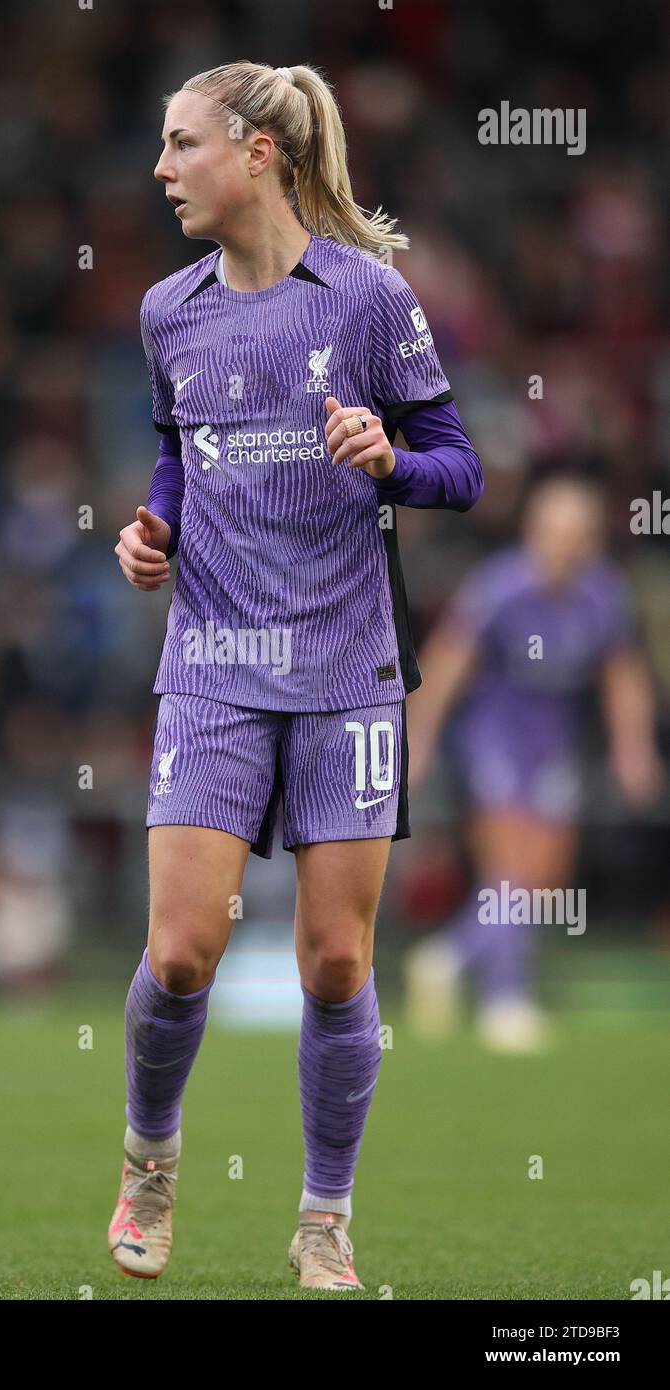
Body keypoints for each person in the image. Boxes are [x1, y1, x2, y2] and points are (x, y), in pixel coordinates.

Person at [111, 60, 483, 1290]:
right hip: (213, 661)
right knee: (179, 954)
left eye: (180, 145)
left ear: (256, 150)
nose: (161, 169)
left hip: (344, 665)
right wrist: (152, 530)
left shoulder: (368, 299)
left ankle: (323, 1218)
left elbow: (458, 467)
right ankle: (150, 1165)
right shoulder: (169, 309)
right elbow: (177, 454)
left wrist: (387, 460)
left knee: (335, 965)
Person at [403, 475, 664, 1054]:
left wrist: (633, 748)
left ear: (591, 540)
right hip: (494, 739)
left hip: (554, 746)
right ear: (533, 532)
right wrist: (417, 741)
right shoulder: (500, 589)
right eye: (552, 532)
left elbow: (622, 676)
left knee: (542, 880)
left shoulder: (603, 594)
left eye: (575, 535)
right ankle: (505, 1000)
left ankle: (448, 958)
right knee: (510, 868)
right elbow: (446, 665)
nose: (562, 546)